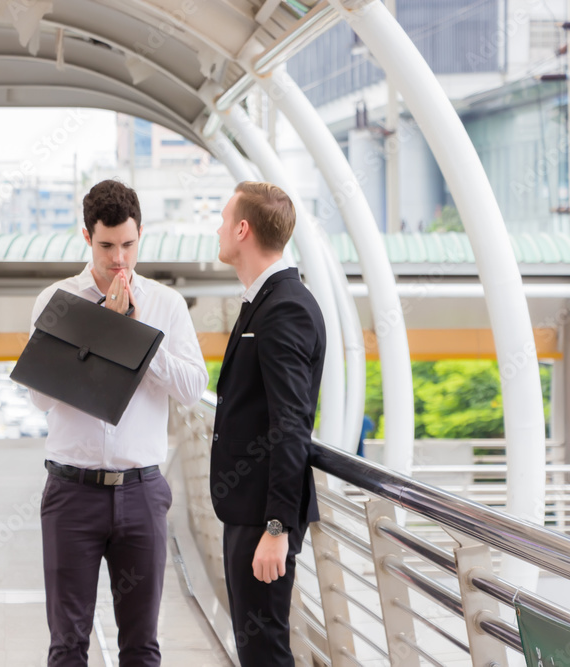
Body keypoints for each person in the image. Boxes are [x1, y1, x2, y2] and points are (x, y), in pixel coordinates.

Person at [27, 180, 208, 666]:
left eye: (128, 244)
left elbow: (192, 388)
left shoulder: (166, 305)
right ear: (87, 238)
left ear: (140, 234)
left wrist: (135, 337)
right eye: (107, 246)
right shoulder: (57, 301)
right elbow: (39, 396)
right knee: (67, 646)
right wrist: (100, 332)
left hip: (142, 492)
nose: (119, 259)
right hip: (72, 494)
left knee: (142, 648)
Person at [210, 181, 325, 666]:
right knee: (255, 649)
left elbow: (292, 423)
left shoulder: (286, 308)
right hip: (249, 510)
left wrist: (277, 527)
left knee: (265, 652)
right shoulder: (266, 300)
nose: (217, 229)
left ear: (242, 229)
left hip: (264, 518)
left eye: (223, 219)